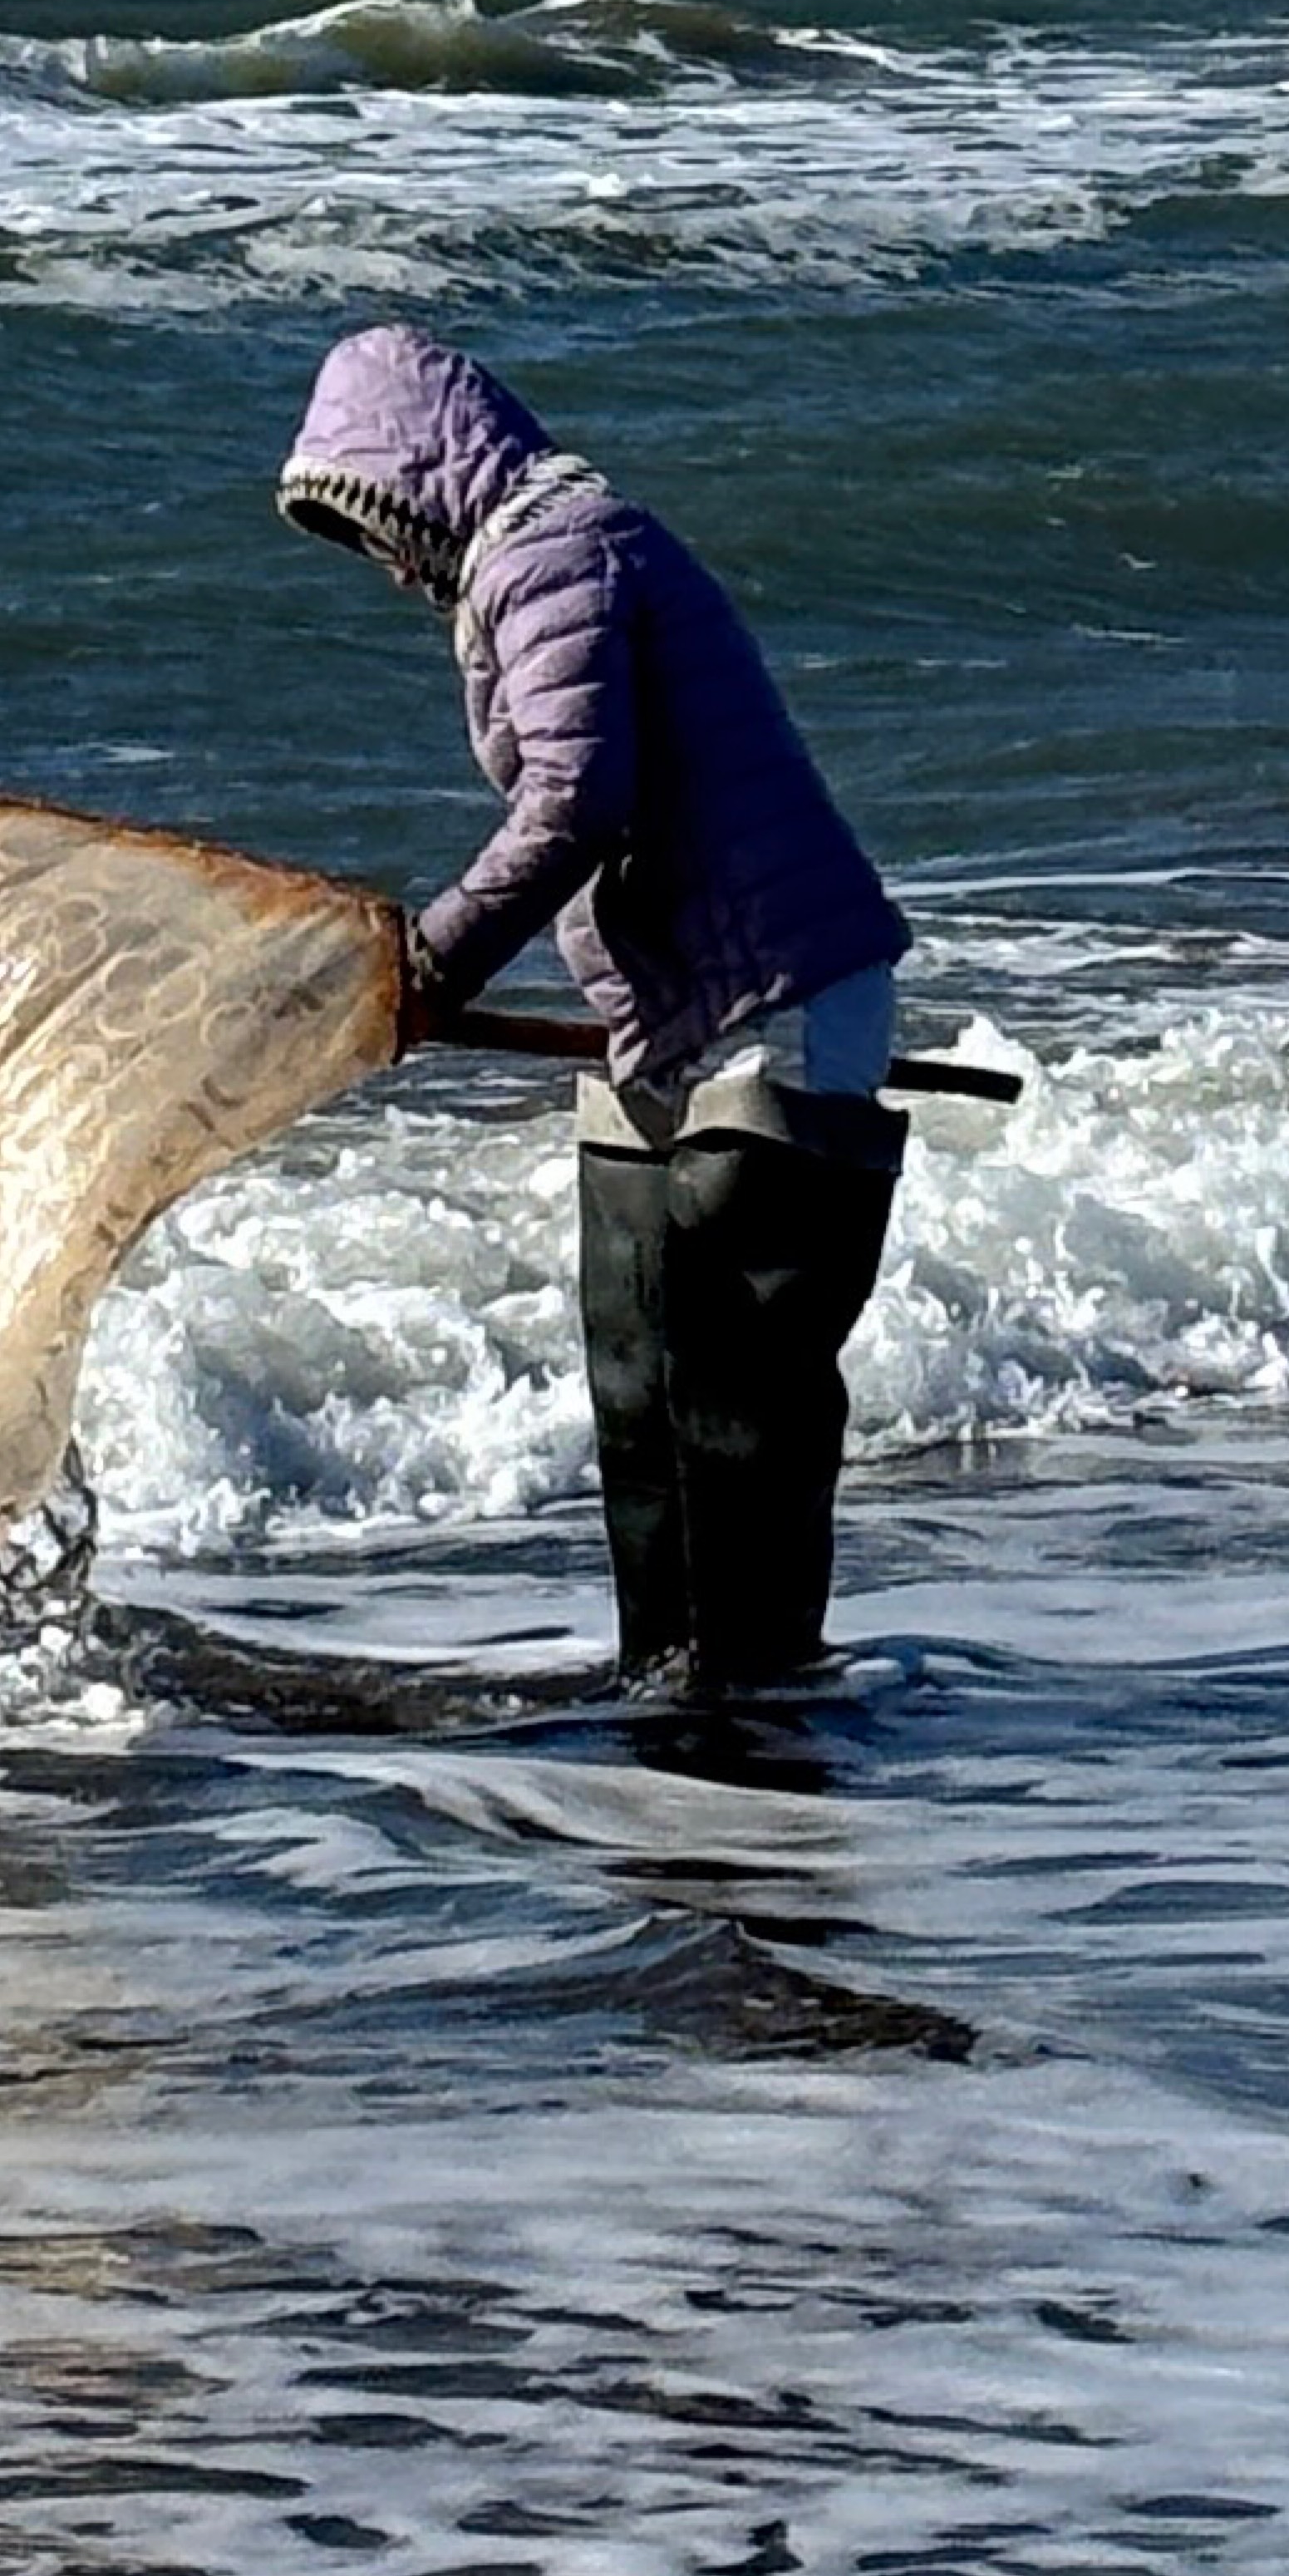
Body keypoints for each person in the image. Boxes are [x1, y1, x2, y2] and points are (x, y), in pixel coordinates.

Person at [277, 321, 910, 1701]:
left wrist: (432, 963)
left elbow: (579, 801)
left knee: (740, 1385)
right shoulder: (540, 556)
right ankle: (680, 1694)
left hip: (778, 995)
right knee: (647, 1380)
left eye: (378, 520)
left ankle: (758, 1705)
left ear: (422, 478)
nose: (385, 563)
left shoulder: (556, 555)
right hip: (690, 1015)